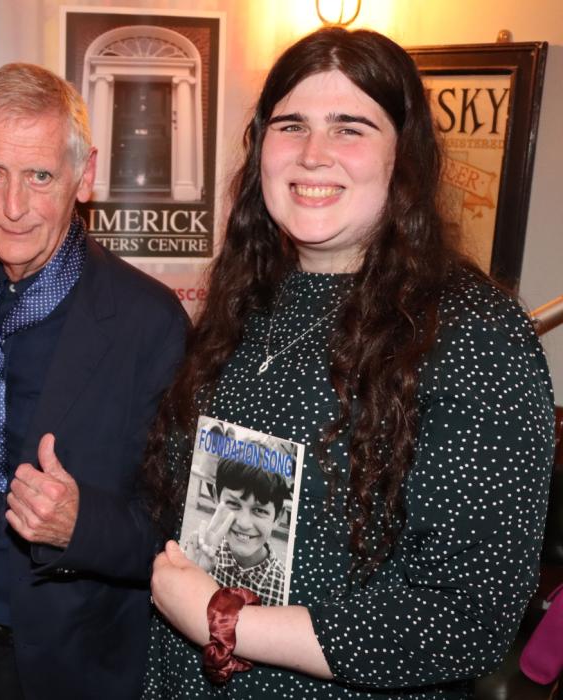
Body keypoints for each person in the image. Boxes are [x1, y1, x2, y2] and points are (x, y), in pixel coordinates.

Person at [142, 27, 555, 698]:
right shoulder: (251, 300)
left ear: (404, 156)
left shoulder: (474, 334)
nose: (313, 154)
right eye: (291, 126)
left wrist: (228, 624)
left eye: (350, 128)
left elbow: (466, 616)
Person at [0, 62, 188, 699]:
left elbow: (178, 525)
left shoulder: (149, 321)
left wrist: (78, 524)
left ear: (84, 177)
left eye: (40, 176)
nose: (12, 207)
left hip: (77, 664)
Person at [182, 454, 291, 607]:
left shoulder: (285, 591)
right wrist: (193, 575)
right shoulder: (196, 552)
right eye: (233, 504)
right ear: (216, 497)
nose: (244, 523)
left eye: (259, 510)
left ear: (278, 516)